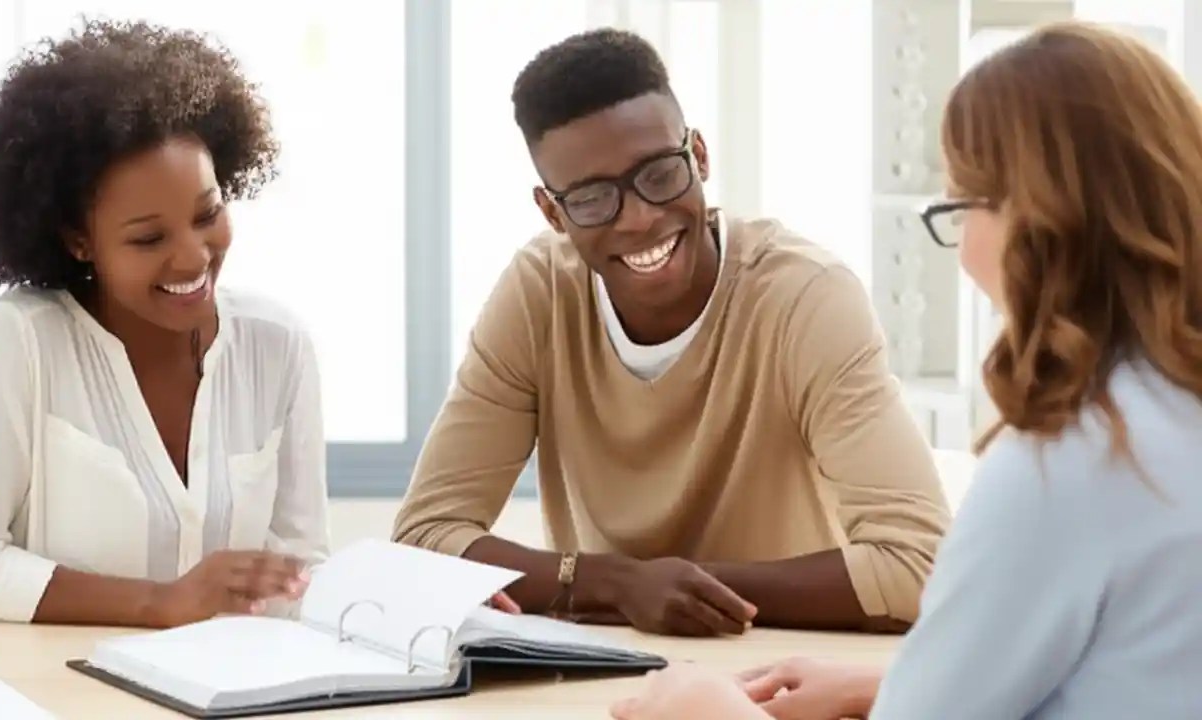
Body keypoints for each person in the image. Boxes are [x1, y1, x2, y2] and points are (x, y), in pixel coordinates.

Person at [610, 20, 1202, 719]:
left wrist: (705, 708)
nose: (961, 251)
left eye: (958, 207)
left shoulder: (1069, 462)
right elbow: (1123, 674)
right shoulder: (1170, 415)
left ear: (1037, 222)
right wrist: (888, 690)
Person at [392, 28, 950, 637]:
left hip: (783, 677)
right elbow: (422, 541)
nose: (640, 218)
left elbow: (921, 565)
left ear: (699, 156)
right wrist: (618, 584)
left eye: (658, 174)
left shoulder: (804, 297)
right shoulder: (538, 295)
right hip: (608, 680)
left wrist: (678, 587)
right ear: (553, 214)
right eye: (592, 199)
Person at [0, 19, 329, 628]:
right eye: (148, 238)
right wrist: (158, 602)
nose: (193, 257)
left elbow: (300, 573)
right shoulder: (15, 344)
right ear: (78, 239)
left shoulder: (278, 347)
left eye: (207, 213)